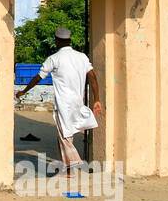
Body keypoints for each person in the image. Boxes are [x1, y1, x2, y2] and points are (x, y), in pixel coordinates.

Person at [15, 27, 102, 173]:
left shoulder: (54, 58)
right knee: (67, 134)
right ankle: (67, 167)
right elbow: (92, 76)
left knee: (64, 136)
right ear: (69, 40)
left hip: (64, 103)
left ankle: (73, 165)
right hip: (78, 102)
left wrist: (23, 91)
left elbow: (38, 77)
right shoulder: (82, 57)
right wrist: (97, 99)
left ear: (57, 40)